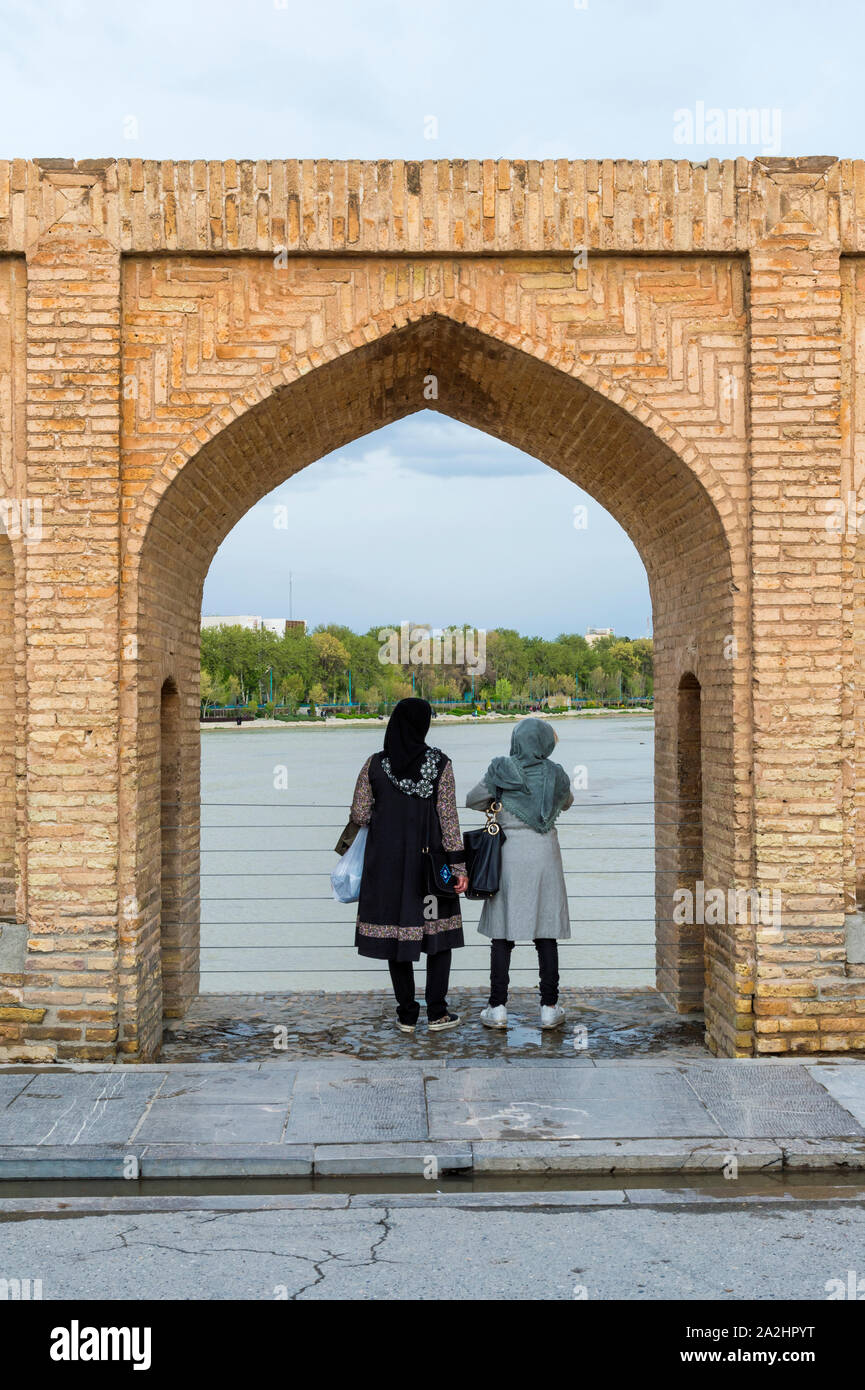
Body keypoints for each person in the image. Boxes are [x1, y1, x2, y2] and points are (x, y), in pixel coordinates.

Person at [348, 697, 468, 1034]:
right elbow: (448, 819)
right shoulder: (440, 765)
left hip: (386, 868)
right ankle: (437, 1013)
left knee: (398, 934)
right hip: (430, 869)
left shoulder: (373, 765)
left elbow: (359, 814)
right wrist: (459, 868)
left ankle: (406, 1014)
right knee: (438, 936)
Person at [466, 718, 573, 1030]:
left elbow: (472, 799)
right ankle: (549, 1008)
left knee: (502, 933)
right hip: (545, 856)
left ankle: (497, 1007)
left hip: (508, 856)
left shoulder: (501, 769)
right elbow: (567, 802)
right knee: (546, 931)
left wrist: (500, 799)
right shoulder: (555, 772)